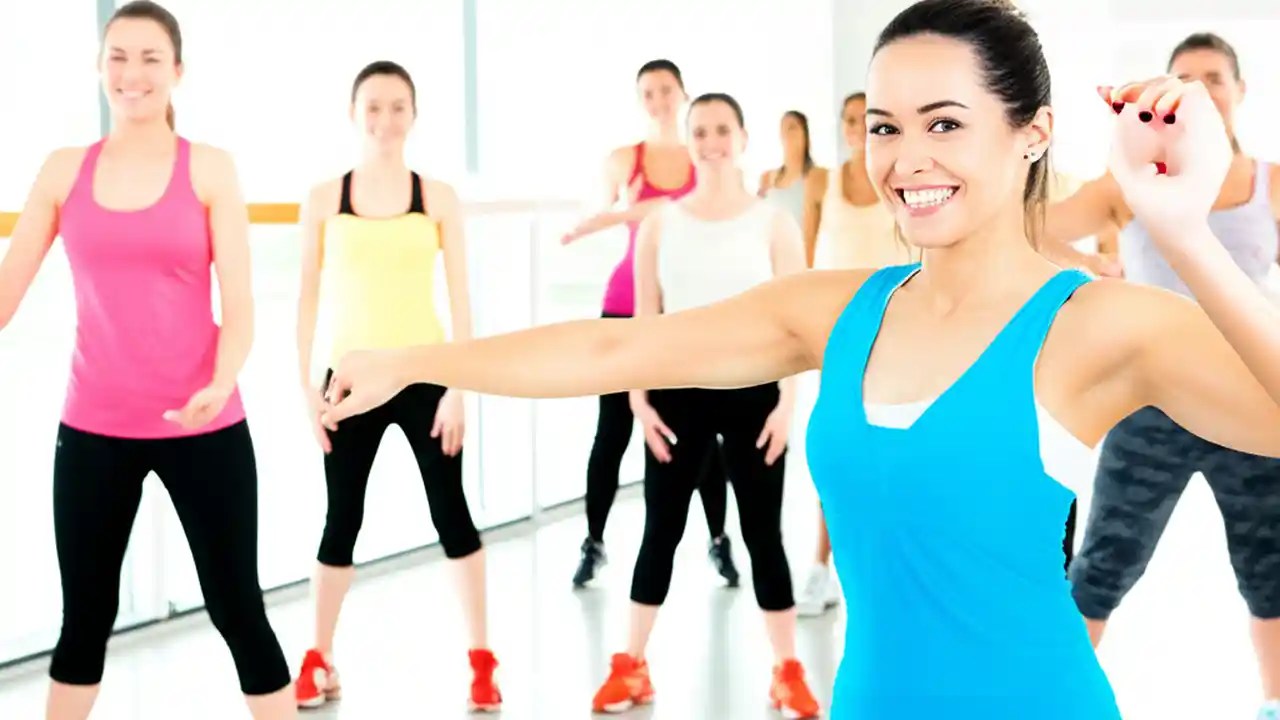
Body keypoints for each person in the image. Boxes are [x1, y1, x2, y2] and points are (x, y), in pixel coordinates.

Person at [318, 0, 1280, 717]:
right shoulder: (837, 312)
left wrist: (1183, 232)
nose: (907, 159)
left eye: (945, 123)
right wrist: (415, 358)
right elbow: (617, 346)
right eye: (885, 128)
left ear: (1031, 134)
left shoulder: (1097, 324)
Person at [0, 2, 296, 719]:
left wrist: (221, 381)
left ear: (178, 71)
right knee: (85, 623)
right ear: (101, 68)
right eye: (118, 57)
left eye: (149, 58)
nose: (132, 74)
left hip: (205, 424)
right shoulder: (64, 170)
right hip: (95, 428)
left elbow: (243, 305)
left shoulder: (211, 170)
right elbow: (6, 291)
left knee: (238, 609)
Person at [1043, 32, 1280, 720]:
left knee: (1270, 576)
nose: (1198, 90)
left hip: (1250, 404)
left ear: (1238, 92)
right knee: (1104, 565)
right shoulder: (1129, 186)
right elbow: (1029, 227)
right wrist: (1089, 268)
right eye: (1183, 78)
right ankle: (1057, 698)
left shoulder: (1269, 182)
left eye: (1214, 78)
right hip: (1152, 411)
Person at [582, 92, 818, 716]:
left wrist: (786, 406)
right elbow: (643, 320)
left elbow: (798, 325)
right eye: (701, 132)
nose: (712, 141)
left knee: (762, 534)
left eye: (722, 130)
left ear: (743, 139)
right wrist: (639, 400)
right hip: (675, 397)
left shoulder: (773, 222)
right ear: (689, 142)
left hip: (754, 395)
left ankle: (787, 670)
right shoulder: (660, 222)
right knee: (660, 530)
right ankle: (631, 667)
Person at [291, 61, 500, 712]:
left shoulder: (435, 196)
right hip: (348, 381)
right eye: (373, 107)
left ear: (414, 114)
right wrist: (306, 391)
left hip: (426, 376)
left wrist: (461, 387)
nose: (385, 119)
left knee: (451, 514)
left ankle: (482, 660)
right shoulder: (325, 196)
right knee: (341, 519)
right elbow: (305, 299)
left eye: (398, 107)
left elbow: (462, 296)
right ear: (354, 113)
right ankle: (319, 657)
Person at [561, 59, 737, 589]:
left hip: (684, 310)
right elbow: (598, 211)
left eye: (666, 90)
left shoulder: (704, 157)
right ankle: (593, 543)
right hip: (625, 303)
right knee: (611, 432)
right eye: (648, 93)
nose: (658, 100)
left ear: (682, 93)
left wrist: (621, 215)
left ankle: (718, 540)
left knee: (700, 437)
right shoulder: (623, 160)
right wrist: (601, 219)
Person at [793, 91, 921, 618]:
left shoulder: (902, 182)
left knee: (898, 451)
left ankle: (898, 569)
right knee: (841, 451)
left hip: (901, 330)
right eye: (853, 121)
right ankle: (821, 567)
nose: (859, 130)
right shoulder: (822, 183)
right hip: (840, 336)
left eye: (870, 123)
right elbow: (803, 259)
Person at [758, 110, 821, 229]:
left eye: (792, 127)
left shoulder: (817, 177)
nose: (787, 133)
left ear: (805, 135)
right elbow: (758, 219)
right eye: (783, 128)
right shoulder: (767, 178)